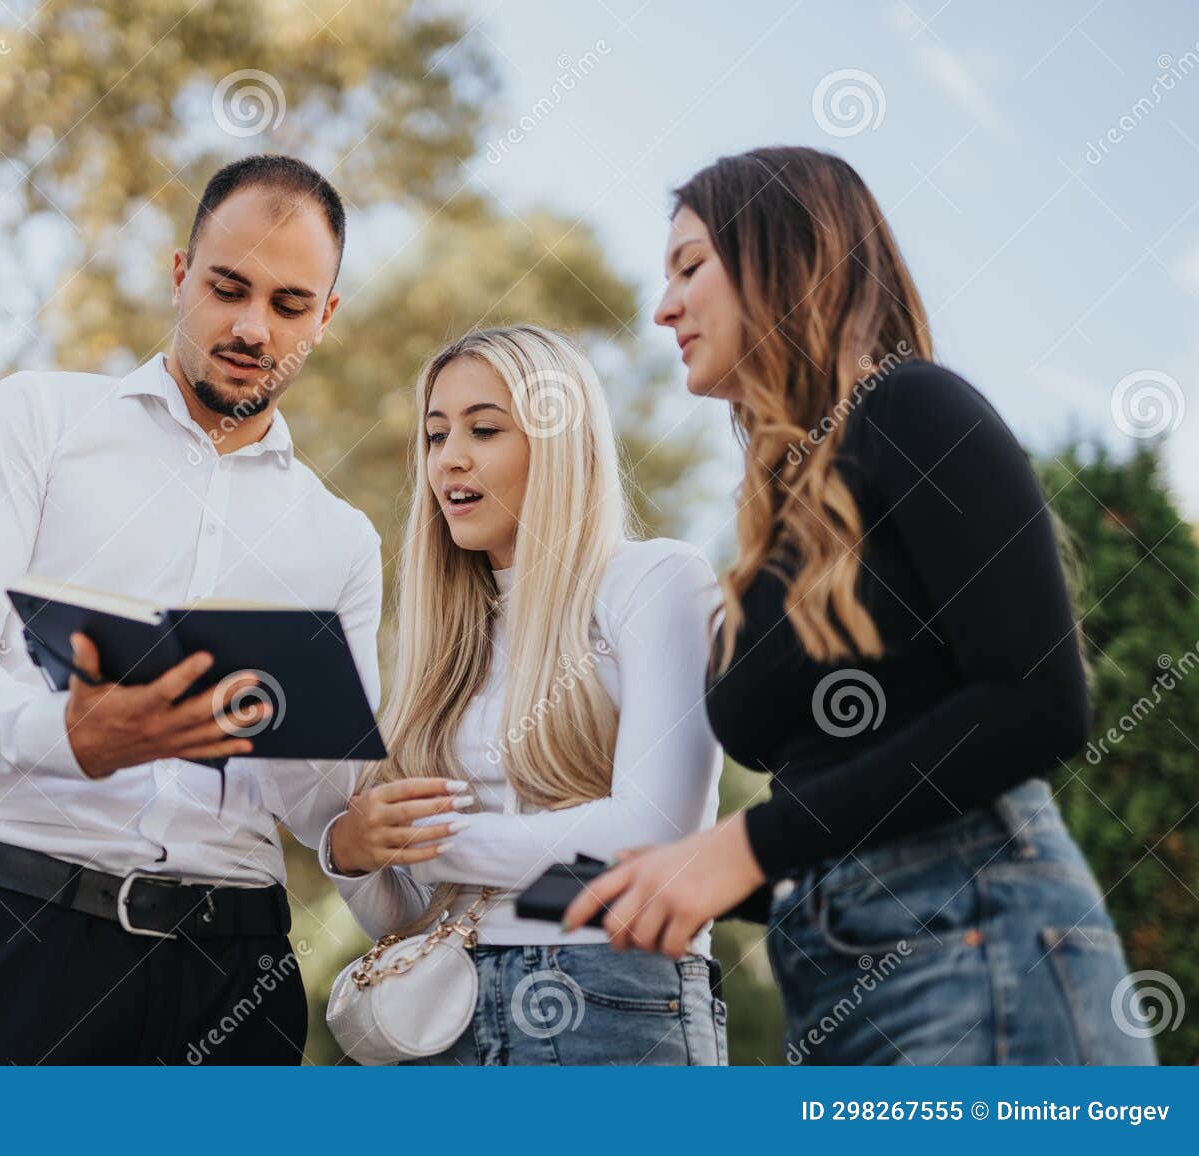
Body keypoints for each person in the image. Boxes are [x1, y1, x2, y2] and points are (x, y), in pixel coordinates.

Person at [563, 146, 1155, 1065]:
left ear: (783, 258)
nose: (663, 307)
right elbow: (837, 798)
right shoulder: (779, 535)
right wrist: (684, 876)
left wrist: (745, 845)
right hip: (834, 977)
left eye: (689, 266)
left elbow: (1039, 703)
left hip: (977, 939)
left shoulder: (915, 408)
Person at [0, 154, 383, 1064]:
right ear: (181, 272)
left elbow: (317, 795)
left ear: (327, 316)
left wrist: (358, 827)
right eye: (228, 287)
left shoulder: (341, 540)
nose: (251, 327)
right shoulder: (37, 420)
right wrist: (64, 735)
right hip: (13, 937)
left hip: (234, 976)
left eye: (288, 305)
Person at [322, 325, 727, 1065]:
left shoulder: (656, 579)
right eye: (435, 435)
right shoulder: (443, 646)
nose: (451, 458)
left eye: (484, 429)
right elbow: (408, 914)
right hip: (448, 1018)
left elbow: (653, 837)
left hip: (611, 1002)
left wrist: (428, 846)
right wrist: (353, 853)